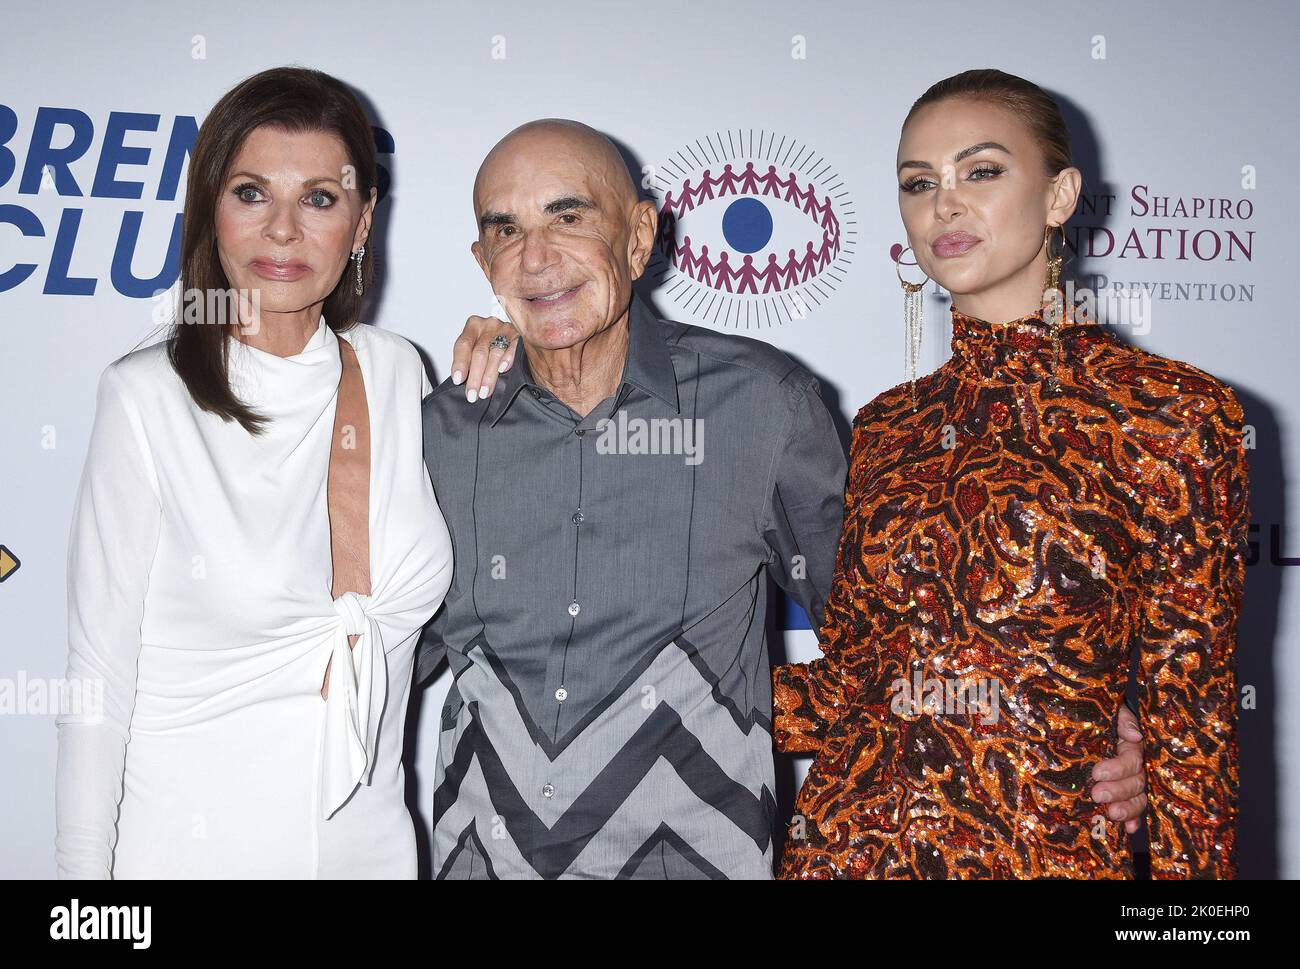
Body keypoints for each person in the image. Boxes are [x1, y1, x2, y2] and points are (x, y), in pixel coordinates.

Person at [421, 118, 1148, 879]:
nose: (535, 256)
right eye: (505, 229)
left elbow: (891, 644)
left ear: (640, 236)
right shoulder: (439, 431)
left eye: (569, 217)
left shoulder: (761, 406)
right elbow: (370, 662)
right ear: (482, 260)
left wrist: (1075, 715)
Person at [772, 69, 1249, 878]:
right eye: (918, 184)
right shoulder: (889, 425)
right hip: (848, 852)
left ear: (1061, 196)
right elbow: (856, 681)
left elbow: (1194, 729)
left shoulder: (1173, 417)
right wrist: (656, 683)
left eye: (980, 171)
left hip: (1045, 857)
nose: (943, 206)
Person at [55, 67, 452, 878]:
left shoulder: (395, 374)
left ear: (363, 219)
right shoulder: (146, 398)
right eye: (249, 194)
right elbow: (97, 682)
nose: (282, 231)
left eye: (318, 198)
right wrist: (82, 901)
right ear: (210, 210)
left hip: (371, 854)